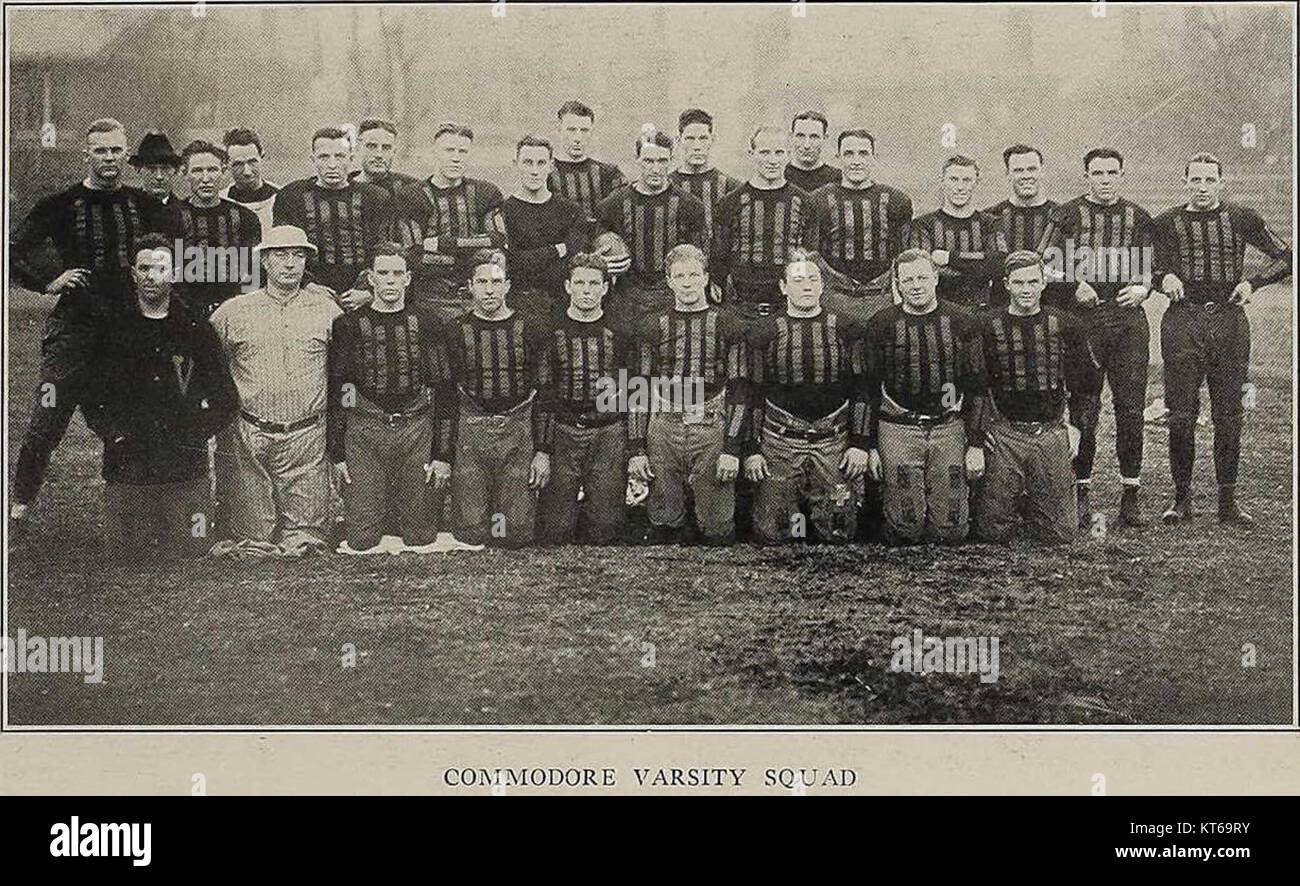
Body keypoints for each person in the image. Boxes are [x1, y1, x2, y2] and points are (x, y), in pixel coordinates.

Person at [9, 117, 173, 528]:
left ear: (125, 154)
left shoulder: (143, 205)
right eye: (101, 150)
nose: (110, 158)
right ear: (87, 154)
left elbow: (173, 257)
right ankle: (19, 507)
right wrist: (47, 282)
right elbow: (14, 251)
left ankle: (127, 513)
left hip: (126, 331)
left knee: (127, 422)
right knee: (47, 419)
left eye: (117, 150)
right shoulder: (61, 204)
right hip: (74, 330)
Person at [1152, 152, 1292, 527]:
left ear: (1221, 182)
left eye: (1209, 180)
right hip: (1183, 320)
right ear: (1184, 181)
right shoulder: (1166, 222)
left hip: (1229, 320)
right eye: (1194, 180)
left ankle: (1227, 500)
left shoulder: (1242, 217)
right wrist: (1162, 278)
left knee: (1228, 413)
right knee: (1181, 414)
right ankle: (1181, 499)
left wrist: (1252, 282)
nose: (1201, 187)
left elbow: (1286, 257)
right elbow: (1144, 264)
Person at [81, 234, 238, 558]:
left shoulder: (196, 328)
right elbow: (92, 394)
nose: (152, 276)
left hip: (184, 467)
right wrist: (116, 434)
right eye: (144, 268)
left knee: (192, 547)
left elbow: (226, 399)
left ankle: (189, 517)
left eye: (161, 268)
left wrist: (193, 433)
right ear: (133, 274)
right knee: (127, 553)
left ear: (175, 273)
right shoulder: (111, 327)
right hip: (129, 465)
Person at [1037, 147, 1156, 527]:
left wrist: (1143, 289)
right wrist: (1074, 285)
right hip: (1084, 321)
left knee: (1131, 407)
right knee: (1085, 408)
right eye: (1098, 173)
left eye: (1112, 172)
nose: (1105, 179)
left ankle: (1130, 494)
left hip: (1127, 319)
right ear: (1086, 175)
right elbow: (1042, 263)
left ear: (1121, 174)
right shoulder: (1068, 213)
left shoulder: (1138, 215)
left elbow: (1152, 266)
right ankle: (1082, 490)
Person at [209, 225, 343, 550]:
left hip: (307, 436)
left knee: (306, 538)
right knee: (253, 537)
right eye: (280, 255)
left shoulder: (328, 312)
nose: (290, 263)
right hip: (248, 435)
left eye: (298, 255)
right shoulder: (233, 312)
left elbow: (344, 374)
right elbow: (210, 370)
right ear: (264, 261)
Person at [744, 251, 871, 544]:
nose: (806, 286)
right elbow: (753, 392)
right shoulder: (764, 332)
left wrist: (860, 444)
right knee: (778, 534)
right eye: (798, 280)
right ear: (783, 287)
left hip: (832, 442)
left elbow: (862, 388)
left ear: (822, 285)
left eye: (813, 279)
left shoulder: (847, 329)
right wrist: (752, 448)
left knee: (837, 532)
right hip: (781, 442)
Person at [861, 249, 986, 544]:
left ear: (936, 278)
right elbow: (867, 387)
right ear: (897, 284)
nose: (916, 285)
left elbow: (978, 385)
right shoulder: (882, 323)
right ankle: (882, 506)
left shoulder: (961, 320)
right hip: (899, 425)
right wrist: (869, 446)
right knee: (906, 529)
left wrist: (976, 443)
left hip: (947, 423)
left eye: (922, 277)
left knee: (950, 532)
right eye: (908, 280)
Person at [628, 244, 750, 544]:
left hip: (710, 423)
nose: (686, 282)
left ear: (706, 278)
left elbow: (739, 388)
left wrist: (731, 449)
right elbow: (637, 387)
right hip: (664, 424)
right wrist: (636, 449)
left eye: (694, 274)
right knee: (664, 524)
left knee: (717, 530)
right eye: (679, 275)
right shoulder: (650, 325)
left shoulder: (727, 322)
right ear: (668, 280)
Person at [431, 250, 553, 547]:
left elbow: (547, 393)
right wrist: (443, 456)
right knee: (471, 532)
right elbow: (445, 397)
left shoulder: (532, 327)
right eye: (482, 282)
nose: (489, 290)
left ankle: (502, 529)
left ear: (508, 285)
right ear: (469, 286)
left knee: (512, 534)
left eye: (496, 282)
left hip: (517, 426)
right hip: (472, 430)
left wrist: (543, 450)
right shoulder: (454, 330)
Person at [976, 251, 1099, 544]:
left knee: (1060, 534)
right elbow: (973, 384)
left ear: (1044, 283)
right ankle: (1010, 497)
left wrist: (1077, 428)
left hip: (1050, 432)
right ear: (1006, 284)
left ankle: (1036, 499)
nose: (1026, 289)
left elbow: (1087, 386)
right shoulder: (987, 326)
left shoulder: (1066, 325)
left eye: (1033, 281)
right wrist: (978, 430)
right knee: (991, 532)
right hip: (1005, 433)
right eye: (1018, 283)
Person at [327, 243, 443, 551]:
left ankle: (406, 511)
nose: (390, 280)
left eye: (397, 273)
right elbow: (341, 388)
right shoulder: (348, 325)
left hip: (415, 428)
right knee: (362, 540)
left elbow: (442, 387)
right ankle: (372, 509)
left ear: (408, 278)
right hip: (365, 429)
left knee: (420, 538)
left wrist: (441, 454)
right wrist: (339, 452)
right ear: (370, 278)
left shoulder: (428, 322)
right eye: (383, 273)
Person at [536, 254, 637, 545]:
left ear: (605, 288)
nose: (587, 290)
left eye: (594, 283)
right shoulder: (551, 332)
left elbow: (631, 391)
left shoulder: (620, 332)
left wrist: (632, 446)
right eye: (579, 282)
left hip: (607, 431)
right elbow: (545, 392)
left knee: (606, 531)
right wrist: (543, 448)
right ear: (568, 286)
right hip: (564, 432)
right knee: (555, 532)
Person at [595, 127, 707, 335]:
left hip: (670, 298)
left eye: (662, 161)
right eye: (648, 161)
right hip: (626, 299)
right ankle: (624, 371)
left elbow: (699, 259)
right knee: (624, 362)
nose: (655, 169)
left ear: (672, 160)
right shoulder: (612, 205)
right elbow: (598, 256)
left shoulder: (690, 206)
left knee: (665, 359)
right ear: (637, 159)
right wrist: (605, 263)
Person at [272, 126, 394, 304]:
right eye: (324, 157)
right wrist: (307, 285)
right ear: (313, 160)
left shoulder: (375, 197)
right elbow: (281, 248)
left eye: (340, 156)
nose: (332, 165)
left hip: (365, 293)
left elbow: (388, 249)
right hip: (307, 293)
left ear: (351, 159)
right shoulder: (292, 195)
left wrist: (370, 290)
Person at [403, 121, 506, 320]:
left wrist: (444, 244)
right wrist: (471, 257)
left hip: (479, 296)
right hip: (430, 298)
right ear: (434, 152)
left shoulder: (486, 192)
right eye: (449, 150)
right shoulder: (412, 195)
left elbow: (497, 239)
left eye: (463, 151)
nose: (456, 158)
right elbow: (413, 255)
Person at [710, 125, 816, 318]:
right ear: (751, 153)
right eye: (765, 152)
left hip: (790, 308)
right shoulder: (730, 203)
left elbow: (811, 257)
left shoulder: (805, 202)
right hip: (741, 307)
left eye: (779, 152)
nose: (772, 160)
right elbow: (720, 258)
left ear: (789, 154)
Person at [491, 134, 590, 328]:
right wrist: (556, 250)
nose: (535, 171)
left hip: (564, 305)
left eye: (541, 163)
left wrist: (532, 257)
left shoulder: (570, 210)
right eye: (528, 163)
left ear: (551, 166)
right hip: (519, 305)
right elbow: (512, 263)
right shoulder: (504, 211)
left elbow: (575, 257)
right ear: (516, 164)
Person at [807, 128, 913, 300]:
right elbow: (810, 255)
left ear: (874, 157)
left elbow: (904, 255)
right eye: (849, 154)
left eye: (863, 154)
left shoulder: (897, 200)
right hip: (833, 297)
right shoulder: (818, 200)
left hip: (881, 297)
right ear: (838, 157)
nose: (856, 161)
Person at [172, 139, 263, 316]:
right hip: (184, 314)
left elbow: (252, 276)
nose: (206, 178)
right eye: (197, 170)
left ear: (223, 171)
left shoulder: (245, 218)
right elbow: (167, 274)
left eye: (212, 170)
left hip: (236, 312)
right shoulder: (170, 217)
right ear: (185, 173)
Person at [909, 155, 1008, 311]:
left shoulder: (991, 223)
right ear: (942, 181)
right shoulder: (923, 224)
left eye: (967, 180)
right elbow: (922, 271)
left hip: (982, 310)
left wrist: (949, 257)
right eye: (953, 179)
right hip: (937, 313)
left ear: (976, 182)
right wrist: (978, 265)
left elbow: (999, 264)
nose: (960, 187)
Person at [985, 144, 1060, 308]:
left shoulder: (1064, 216)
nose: (1026, 176)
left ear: (1042, 170)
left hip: (1052, 309)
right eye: (1018, 170)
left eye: (1031, 169)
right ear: (1007, 174)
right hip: (1001, 312)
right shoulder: (989, 217)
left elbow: (1071, 266)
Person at [669, 108, 741, 240]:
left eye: (703, 138)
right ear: (678, 140)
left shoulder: (731, 187)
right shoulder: (667, 185)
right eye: (690, 138)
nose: (697, 146)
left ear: (712, 140)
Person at [547, 100, 626, 222]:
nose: (578, 138)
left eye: (584, 130)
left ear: (591, 131)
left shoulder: (609, 174)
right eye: (571, 130)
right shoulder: (546, 174)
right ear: (559, 129)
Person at [221, 127, 280, 234]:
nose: (247, 172)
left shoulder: (281, 198)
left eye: (252, 162)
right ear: (226, 164)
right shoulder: (220, 201)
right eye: (238, 164)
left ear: (262, 156)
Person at [785, 110, 840, 193]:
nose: (807, 145)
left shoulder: (839, 179)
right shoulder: (780, 176)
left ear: (825, 138)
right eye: (800, 136)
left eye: (814, 137)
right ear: (791, 137)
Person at [128, 131, 182, 204]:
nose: (159, 177)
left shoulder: (184, 211)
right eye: (151, 169)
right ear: (138, 169)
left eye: (165, 169)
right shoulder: (126, 208)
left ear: (175, 170)